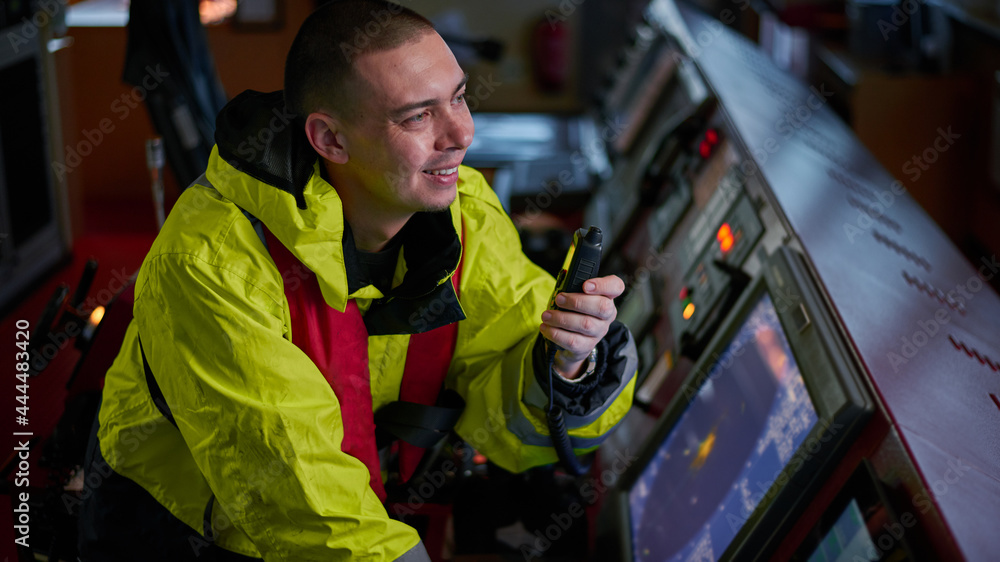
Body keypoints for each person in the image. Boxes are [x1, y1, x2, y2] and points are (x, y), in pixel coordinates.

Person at [79, 1, 637, 560]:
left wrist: (566, 365)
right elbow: (302, 509)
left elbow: (507, 413)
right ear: (331, 140)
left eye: (460, 97)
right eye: (418, 116)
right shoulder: (211, 263)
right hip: (191, 528)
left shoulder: (464, 213)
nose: (462, 133)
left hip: (363, 500)